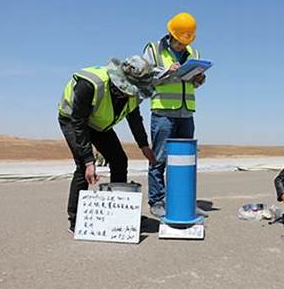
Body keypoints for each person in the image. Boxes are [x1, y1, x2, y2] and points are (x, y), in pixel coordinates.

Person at [58, 55, 157, 233]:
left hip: (98, 124)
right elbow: (79, 123)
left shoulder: (133, 94)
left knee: (119, 160)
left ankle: (117, 212)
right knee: (83, 167)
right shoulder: (90, 85)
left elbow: (134, 118)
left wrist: (144, 146)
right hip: (74, 121)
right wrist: (89, 160)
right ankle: (76, 220)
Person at [142, 12, 206, 218]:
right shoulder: (153, 49)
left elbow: (195, 83)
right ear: (171, 34)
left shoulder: (193, 52)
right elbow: (145, 77)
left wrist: (199, 78)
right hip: (163, 112)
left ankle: (183, 201)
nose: (181, 45)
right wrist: (167, 72)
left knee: (186, 159)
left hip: (186, 112)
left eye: (185, 40)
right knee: (159, 158)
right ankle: (157, 201)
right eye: (179, 41)